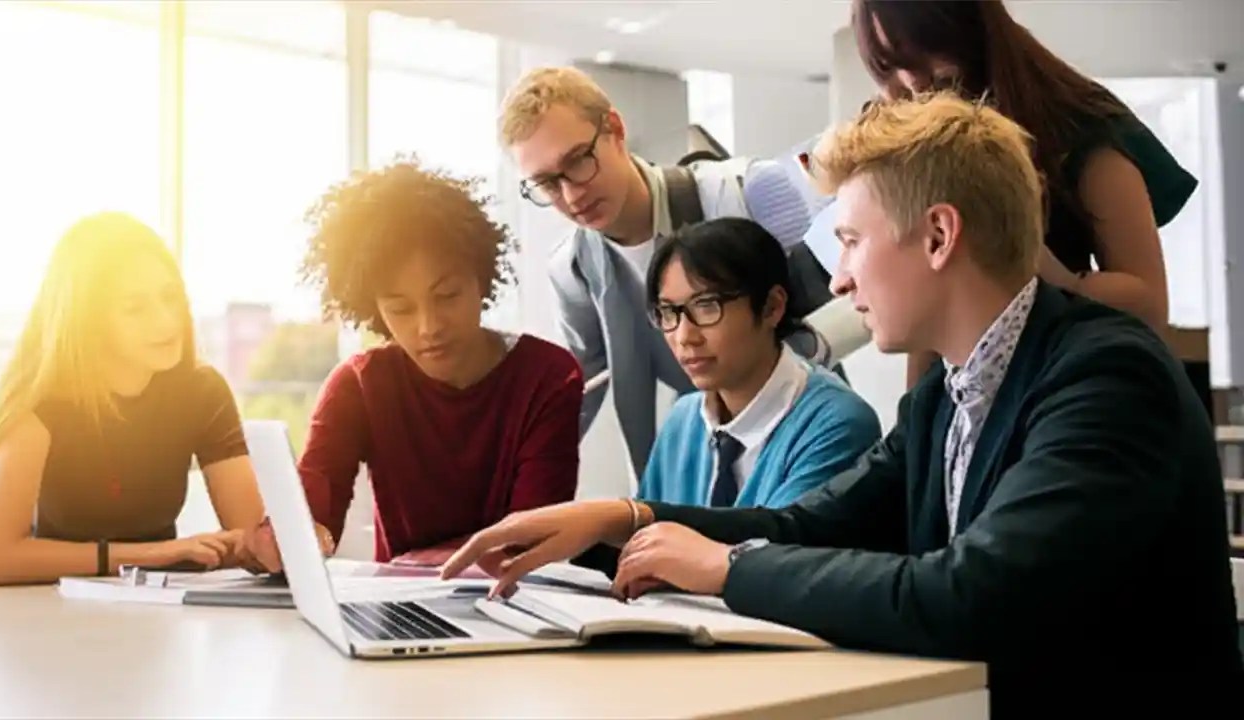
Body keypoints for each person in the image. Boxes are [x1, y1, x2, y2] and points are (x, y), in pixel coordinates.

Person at [444, 94, 1243, 714]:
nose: (838, 279)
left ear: (939, 236)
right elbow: (809, 524)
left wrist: (726, 568)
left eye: (852, 241)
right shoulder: (943, 396)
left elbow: (973, 596)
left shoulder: (1106, 377)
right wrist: (622, 520)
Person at [500, 66, 867, 482]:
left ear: (615, 129)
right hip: (704, 456)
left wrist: (796, 351)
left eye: (579, 160)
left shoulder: (746, 193)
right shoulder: (572, 270)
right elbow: (580, 390)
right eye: (547, 184)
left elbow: (864, 283)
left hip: (803, 436)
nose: (571, 195)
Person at [850, 0, 1202, 397]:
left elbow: (1150, 306)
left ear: (965, 29)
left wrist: (1054, 277)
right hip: (966, 395)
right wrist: (918, 417)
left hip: (1068, 383)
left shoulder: (1080, 126)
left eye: (922, 53)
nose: (912, 83)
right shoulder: (917, 142)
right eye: (887, 67)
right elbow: (933, 323)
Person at [243, 160, 583, 571]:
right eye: (400, 309)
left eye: (448, 296)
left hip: (515, 599)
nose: (428, 327)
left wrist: (420, 562)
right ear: (374, 309)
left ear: (480, 279)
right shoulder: (360, 385)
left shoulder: (547, 376)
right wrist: (283, 542)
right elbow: (315, 512)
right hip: (399, 603)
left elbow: (530, 538)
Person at [0, 213, 263, 586]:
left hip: (156, 605)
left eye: (170, 297)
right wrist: (152, 555)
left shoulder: (202, 391)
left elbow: (252, 540)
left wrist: (263, 543)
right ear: (87, 321)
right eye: (135, 308)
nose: (166, 320)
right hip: (50, 607)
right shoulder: (39, 403)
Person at [639, 217, 880, 508]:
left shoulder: (838, 425)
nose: (684, 337)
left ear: (772, 307)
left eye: (706, 307)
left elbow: (776, 537)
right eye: (669, 313)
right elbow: (642, 531)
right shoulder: (682, 421)